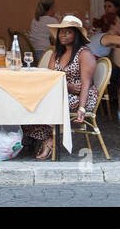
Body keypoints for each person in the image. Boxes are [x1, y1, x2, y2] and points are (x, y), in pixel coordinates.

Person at [24, 15, 98, 160]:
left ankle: (49, 141)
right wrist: (67, 86)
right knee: (28, 102)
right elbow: (50, 78)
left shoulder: (84, 54)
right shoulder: (57, 52)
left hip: (81, 97)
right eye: (61, 32)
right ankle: (47, 138)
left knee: (43, 105)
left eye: (68, 32)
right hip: (61, 92)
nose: (63, 35)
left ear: (76, 35)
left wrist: (82, 109)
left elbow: (85, 85)